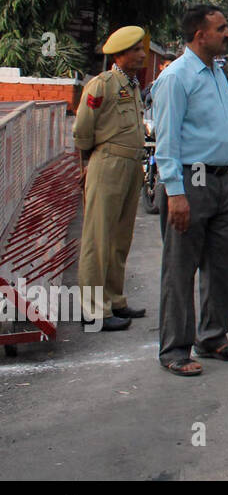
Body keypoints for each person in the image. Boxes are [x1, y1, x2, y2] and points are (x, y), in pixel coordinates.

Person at [151, 5, 228, 377]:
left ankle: (213, 336)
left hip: (222, 181)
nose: (227, 33)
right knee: (180, 267)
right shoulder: (176, 77)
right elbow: (167, 139)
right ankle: (175, 349)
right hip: (191, 180)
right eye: (221, 28)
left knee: (223, 262)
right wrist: (175, 192)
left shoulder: (217, 72)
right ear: (199, 35)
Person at [72, 26, 149, 332]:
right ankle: (93, 310)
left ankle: (115, 299)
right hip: (107, 164)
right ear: (120, 54)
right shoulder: (101, 84)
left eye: (142, 50)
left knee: (120, 238)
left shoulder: (132, 86)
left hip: (131, 166)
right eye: (136, 50)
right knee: (98, 240)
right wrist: (87, 163)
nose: (142, 55)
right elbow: (82, 131)